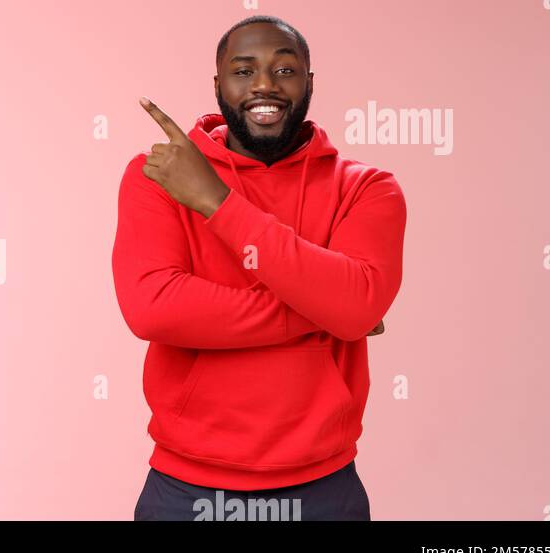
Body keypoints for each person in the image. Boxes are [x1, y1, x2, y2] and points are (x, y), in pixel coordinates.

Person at [111, 15, 406, 520]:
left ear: (310, 83)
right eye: (244, 71)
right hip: (186, 492)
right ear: (219, 84)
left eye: (284, 69)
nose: (265, 85)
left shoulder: (367, 187)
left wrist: (217, 203)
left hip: (322, 489)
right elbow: (154, 310)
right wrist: (328, 312)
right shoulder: (158, 175)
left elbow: (357, 304)